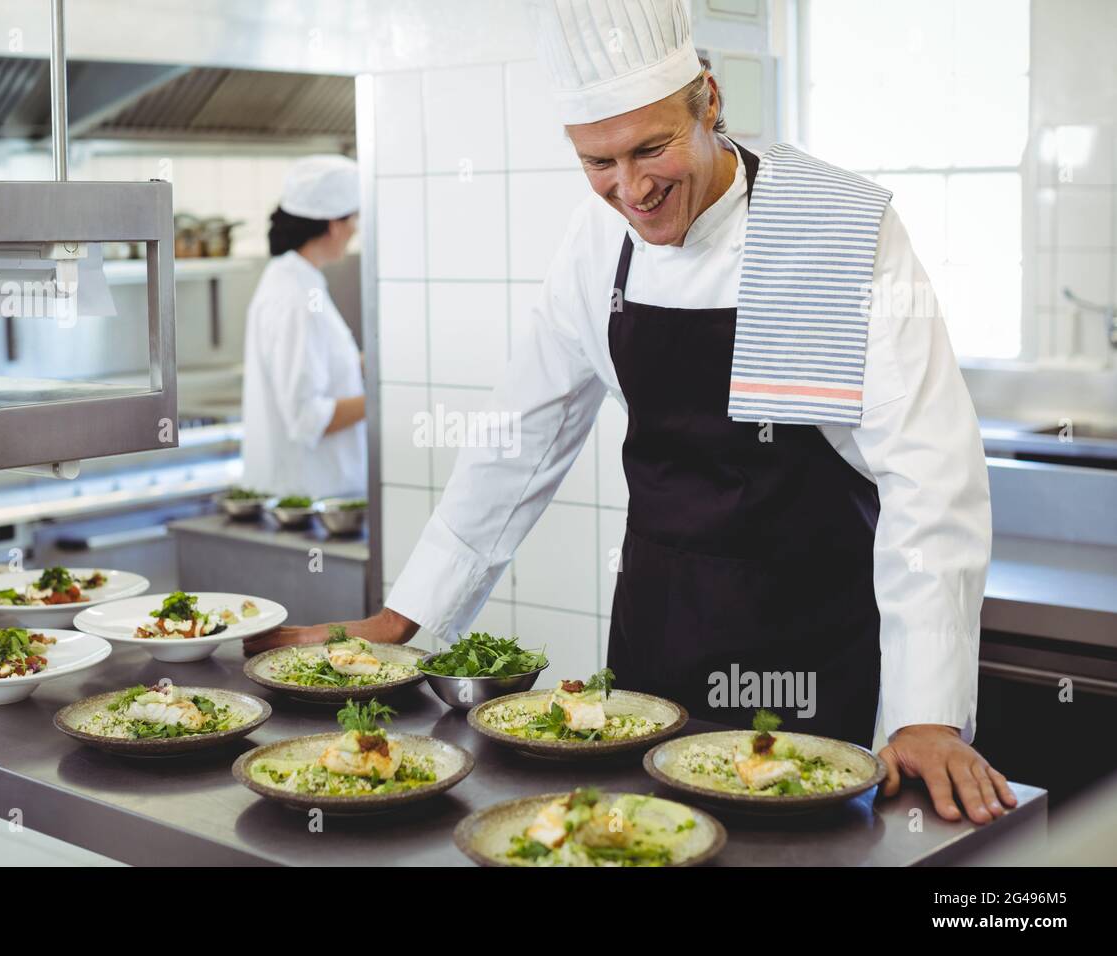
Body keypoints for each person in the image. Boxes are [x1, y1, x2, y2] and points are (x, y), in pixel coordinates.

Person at [245, 0, 1016, 825]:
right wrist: (408, 618)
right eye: (598, 163)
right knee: (639, 836)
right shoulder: (596, 240)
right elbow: (521, 439)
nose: (633, 189)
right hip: (658, 629)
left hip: (808, 635)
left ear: (709, 101)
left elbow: (929, 470)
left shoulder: (825, 224)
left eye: (652, 147)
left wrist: (926, 714)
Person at [240, 154, 366, 499]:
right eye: (354, 219)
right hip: (309, 503)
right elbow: (307, 416)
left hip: (320, 496)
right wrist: (382, 400)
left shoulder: (297, 282)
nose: (355, 230)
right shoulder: (296, 297)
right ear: (334, 225)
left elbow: (317, 368)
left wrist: (364, 365)